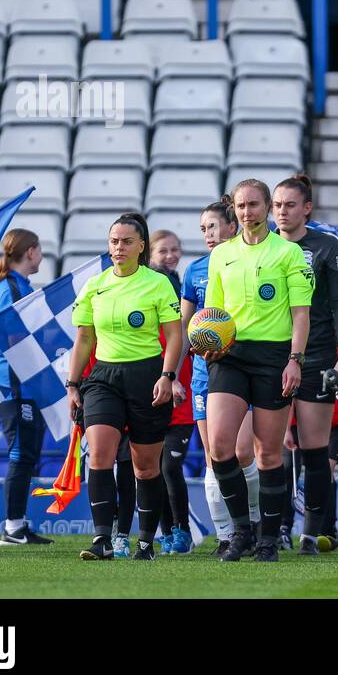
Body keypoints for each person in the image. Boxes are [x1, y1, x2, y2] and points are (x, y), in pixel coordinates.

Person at [198, 179, 313, 563]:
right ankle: (241, 530)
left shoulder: (289, 253)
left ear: (266, 207)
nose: (248, 212)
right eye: (241, 205)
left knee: (267, 454)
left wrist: (294, 360)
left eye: (254, 204)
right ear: (234, 208)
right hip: (229, 355)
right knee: (219, 446)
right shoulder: (221, 255)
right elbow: (212, 313)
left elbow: (301, 315)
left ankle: (267, 539)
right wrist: (207, 343)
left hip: (274, 357)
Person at [68, 214, 184, 560]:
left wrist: (167, 376)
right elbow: (84, 338)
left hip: (147, 376)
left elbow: (176, 335)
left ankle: (145, 542)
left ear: (141, 246)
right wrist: (73, 384)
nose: (119, 247)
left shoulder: (158, 284)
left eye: (126, 241)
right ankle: (102, 539)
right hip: (103, 378)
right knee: (100, 455)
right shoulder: (94, 285)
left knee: (145, 467)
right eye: (114, 241)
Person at [274, 174, 338, 554]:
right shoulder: (263, 247)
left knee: (314, 448)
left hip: (318, 355)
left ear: (307, 208)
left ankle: (311, 531)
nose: (282, 212)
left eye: (290, 205)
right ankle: (274, 529)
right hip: (271, 357)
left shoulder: (326, 246)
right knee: (272, 448)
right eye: (277, 205)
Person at [179, 199, 239, 557]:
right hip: (206, 374)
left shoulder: (248, 262)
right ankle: (226, 534)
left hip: (247, 369)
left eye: (213, 226)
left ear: (232, 227)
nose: (208, 235)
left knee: (247, 454)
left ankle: (254, 526)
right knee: (215, 456)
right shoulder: (195, 271)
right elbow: (187, 328)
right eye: (203, 229)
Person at [0, 229, 51, 546]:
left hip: (24, 382)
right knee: (20, 452)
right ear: (31, 252)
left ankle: (18, 524)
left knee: (27, 453)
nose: (41, 256)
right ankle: (12, 528)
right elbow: (13, 336)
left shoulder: (17, 285)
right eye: (39, 250)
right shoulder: (10, 287)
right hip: (14, 383)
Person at [148, 230, 193, 554]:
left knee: (168, 467)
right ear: (150, 254)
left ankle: (183, 532)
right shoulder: (149, 286)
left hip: (183, 395)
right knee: (154, 468)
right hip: (153, 391)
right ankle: (168, 531)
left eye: (175, 249)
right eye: (163, 250)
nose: (171, 255)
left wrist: (175, 376)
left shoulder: (181, 283)